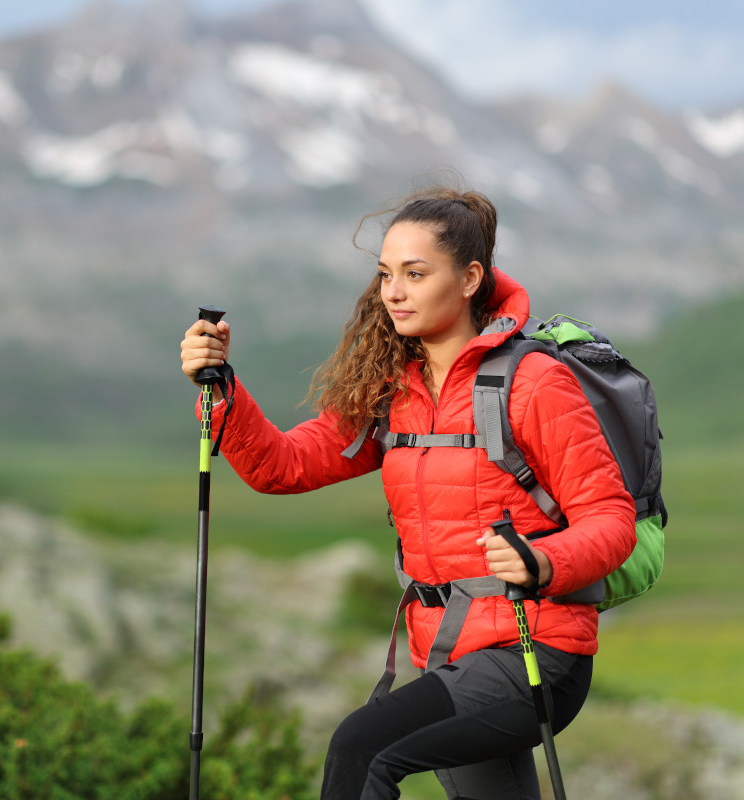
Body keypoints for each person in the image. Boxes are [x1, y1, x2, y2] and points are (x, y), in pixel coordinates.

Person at [179, 186, 635, 800]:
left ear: (471, 278)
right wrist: (222, 387)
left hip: (533, 652)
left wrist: (542, 560)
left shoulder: (534, 382)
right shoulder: (394, 391)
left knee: (363, 749)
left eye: (415, 274)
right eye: (386, 274)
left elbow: (610, 518)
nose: (393, 291)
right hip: (449, 652)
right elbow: (281, 468)